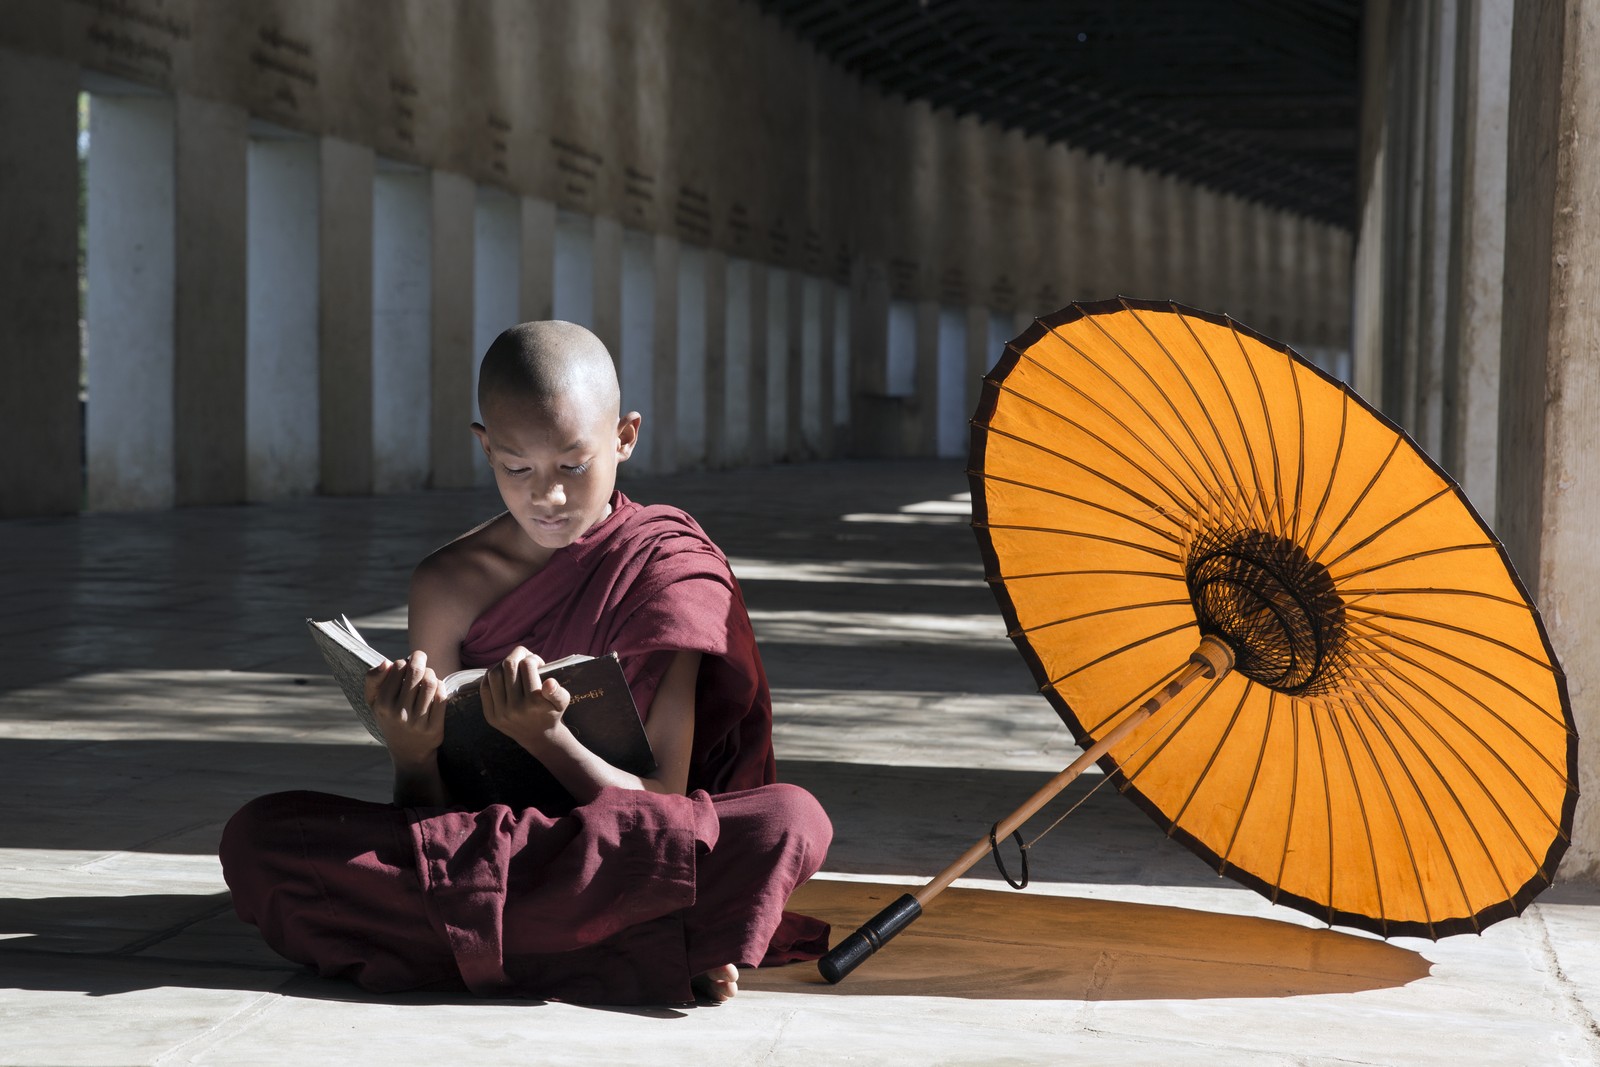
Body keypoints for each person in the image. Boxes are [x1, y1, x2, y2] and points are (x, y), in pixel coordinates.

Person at [220, 320, 831, 1005]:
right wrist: (414, 753)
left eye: (573, 465)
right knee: (256, 840)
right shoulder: (446, 583)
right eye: (517, 467)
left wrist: (548, 737)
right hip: (489, 850)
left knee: (791, 819)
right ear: (485, 448)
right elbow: (432, 822)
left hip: (609, 845)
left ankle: (490, 948)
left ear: (625, 436)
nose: (549, 495)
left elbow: (660, 801)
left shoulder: (664, 565)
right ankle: (644, 942)